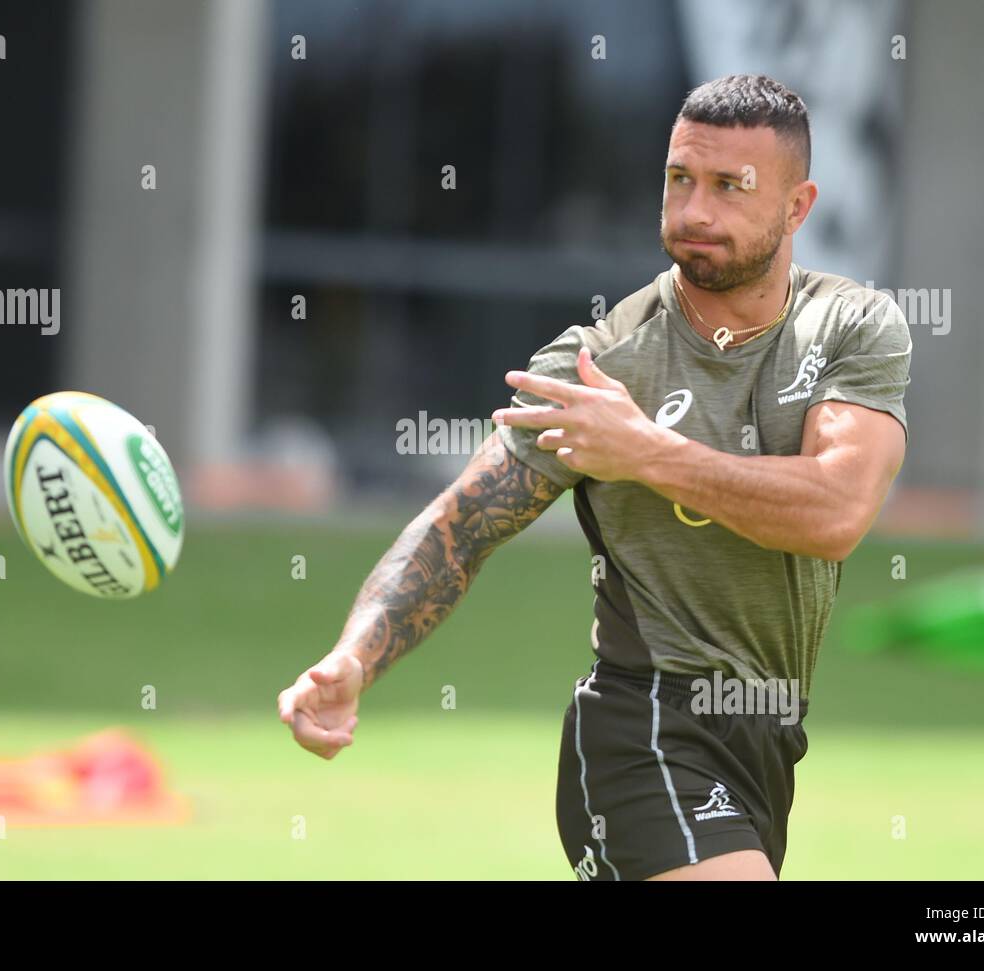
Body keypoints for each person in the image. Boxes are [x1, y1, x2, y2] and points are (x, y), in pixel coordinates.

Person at [278, 74, 911, 881]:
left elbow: (837, 507)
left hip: (768, 739)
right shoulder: (598, 364)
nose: (694, 212)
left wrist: (645, 450)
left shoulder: (853, 326)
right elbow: (460, 524)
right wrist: (354, 657)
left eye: (729, 186)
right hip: (641, 729)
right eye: (680, 179)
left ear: (797, 206)